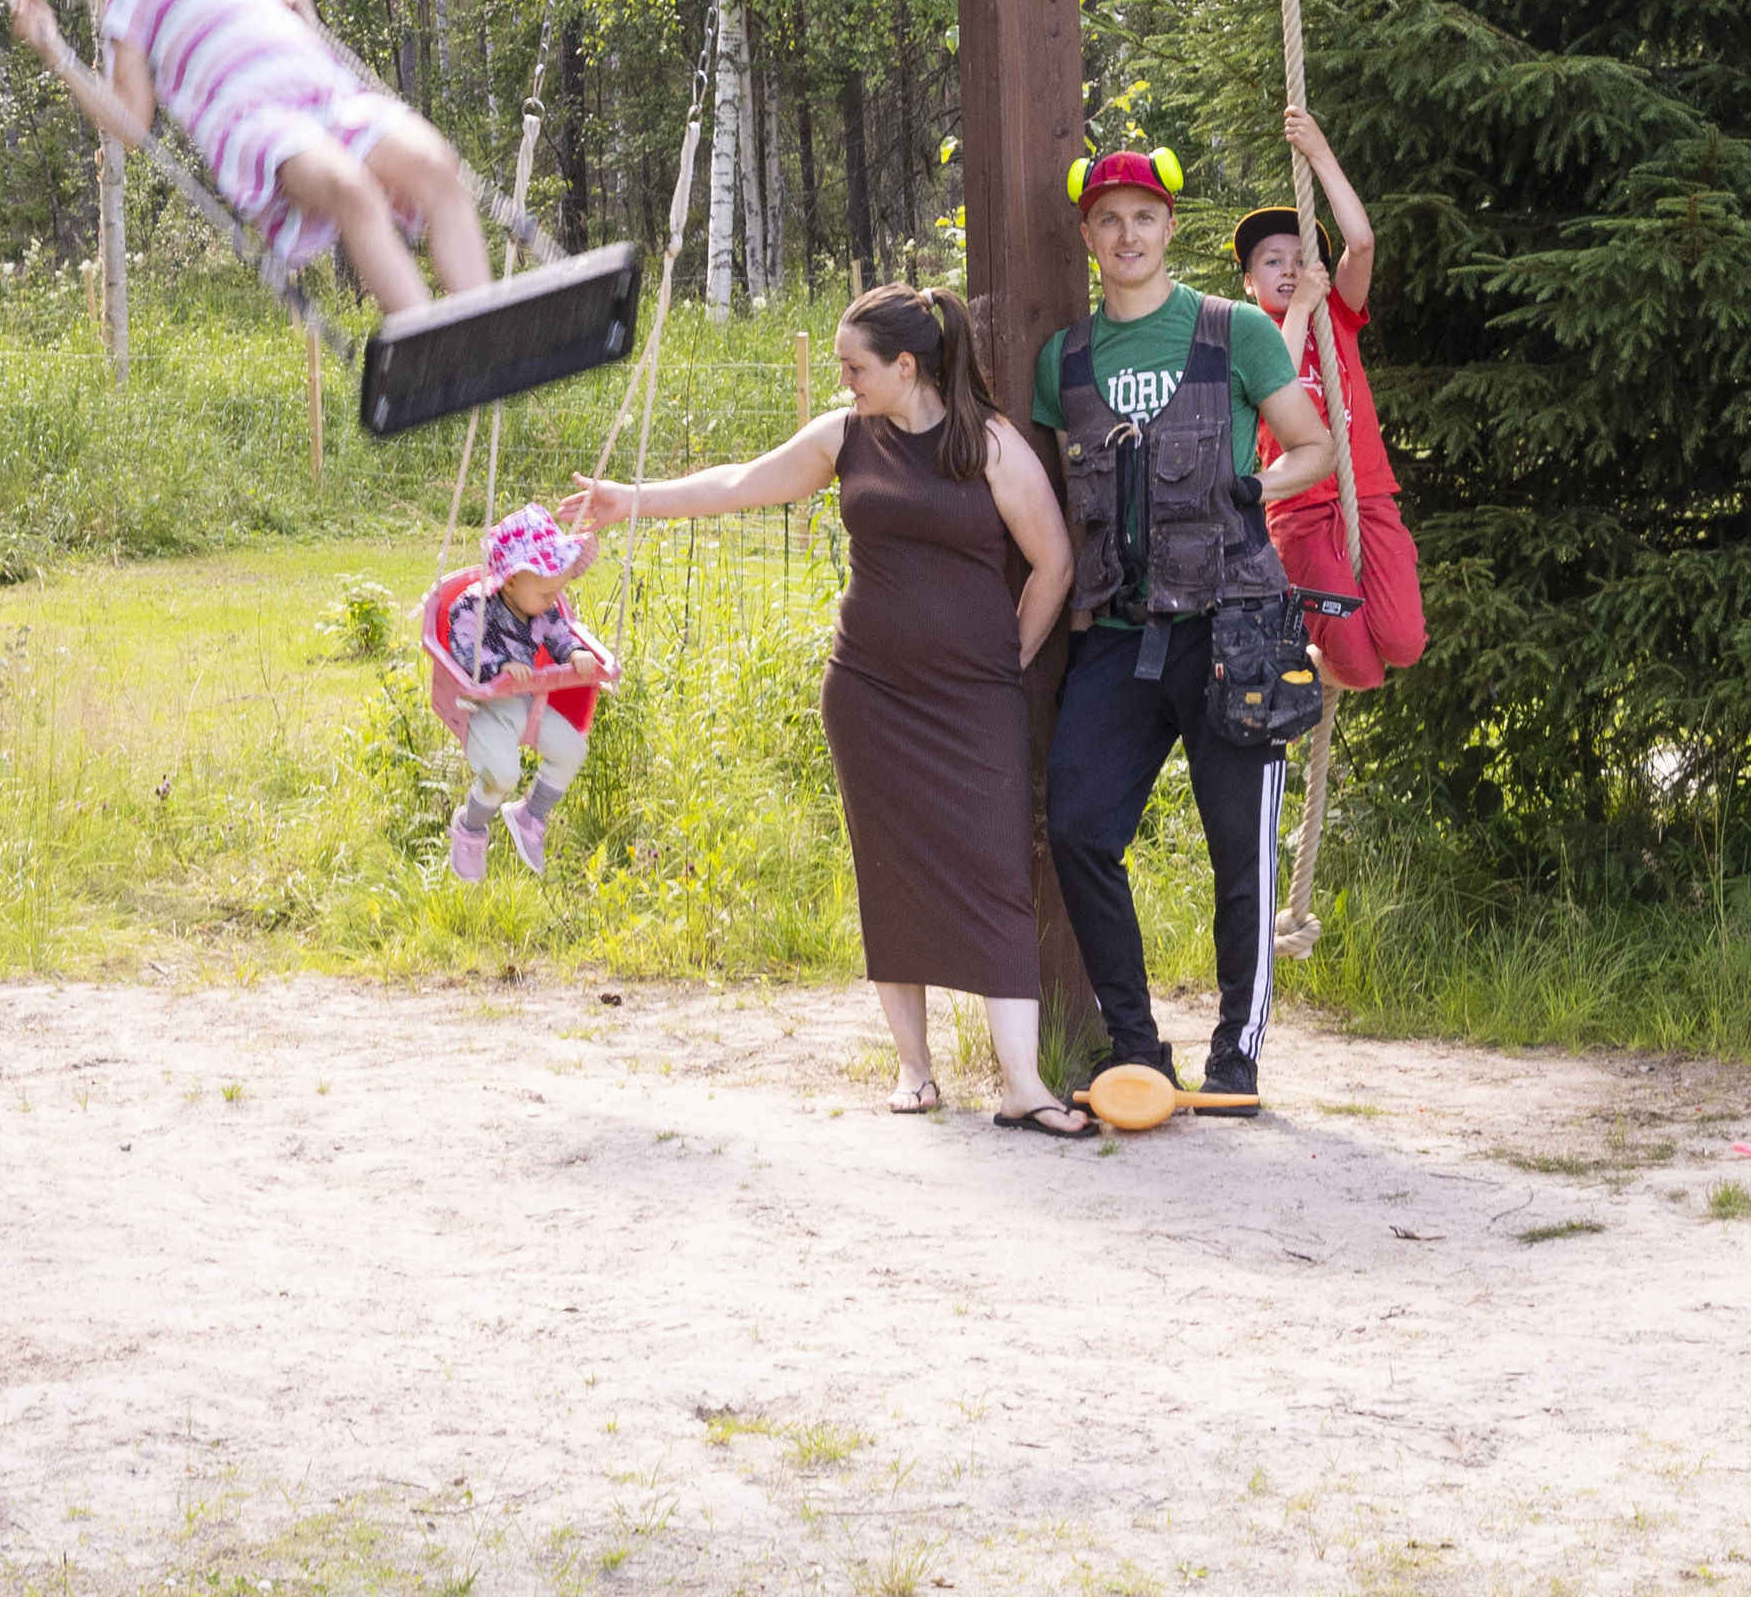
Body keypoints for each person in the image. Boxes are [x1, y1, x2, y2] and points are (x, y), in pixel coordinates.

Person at [565, 284, 1094, 1135]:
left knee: (997, 869)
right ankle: (915, 1070)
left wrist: (1006, 662)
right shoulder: (847, 438)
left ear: (905, 365)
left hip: (976, 704)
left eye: (855, 367)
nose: (844, 380)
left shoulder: (987, 444)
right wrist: (631, 499)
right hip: (869, 695)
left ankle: (1024, 1085)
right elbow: (741, 483)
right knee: (885, 872)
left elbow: (1054, 564)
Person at [1031, 150, 1338, 1106]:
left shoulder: (1234, 331)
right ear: (1088, 236)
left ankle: (1235, 1058)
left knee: (1239, 852)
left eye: (1144, 218)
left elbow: (1314, 447)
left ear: (1170, 228)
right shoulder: (1064, 362)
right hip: (1118, 635)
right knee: (1078, 827)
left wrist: (1258, 484)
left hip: (1232, 633)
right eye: (1109, 219)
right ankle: (1137, 1048)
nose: (1127, 235)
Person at [6, 0, 488, 315]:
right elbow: (130, 122)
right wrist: (55, 52)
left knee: (438, 166)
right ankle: (424, 336)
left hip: (331, 99)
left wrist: (306, 20)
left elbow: (281, 50)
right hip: (262, 127)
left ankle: (486, 333)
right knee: (353, 190)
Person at [1234, 106, 1425, 690]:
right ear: (1248, 281)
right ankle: (1315, 643)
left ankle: (1330, 633)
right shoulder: (1245, 329)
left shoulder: (1336, 313)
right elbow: (1278, 383)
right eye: (1272, 262)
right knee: (1363, 674)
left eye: (1300, 260)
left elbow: (1361, 242)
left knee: (1404, 643)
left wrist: (1318, 152)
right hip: (1301, 512)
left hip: (1365, 494)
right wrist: (1297, 309)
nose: (1289, 270)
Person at [436, 505, 613, 880]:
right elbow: (461, 647)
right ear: (512, 581)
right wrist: (498, 665)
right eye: (547, 590)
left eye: (558, 590)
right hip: (484, 707)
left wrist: (576, 652)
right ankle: (470, 830)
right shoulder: (473, 606)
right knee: (501, 774)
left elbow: (561, 632)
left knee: (571, 750)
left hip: (527, 701)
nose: (554, 599)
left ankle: (530, 816)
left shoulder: (542, 609)